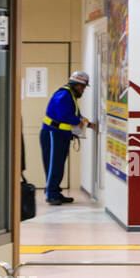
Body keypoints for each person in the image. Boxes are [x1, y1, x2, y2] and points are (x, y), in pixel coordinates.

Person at [40, 70, 97, 205]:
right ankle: (51, 194)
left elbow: (76, 115)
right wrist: (78, 121)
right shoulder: (64, 95)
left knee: (58, 166)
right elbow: (64, 115)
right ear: (77, 85)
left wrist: (87, 123)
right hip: (53, 134)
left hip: (61, 135)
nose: (83, 91)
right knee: (54, 166)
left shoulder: (70, 96)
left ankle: (56, 192)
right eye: (83, 87)